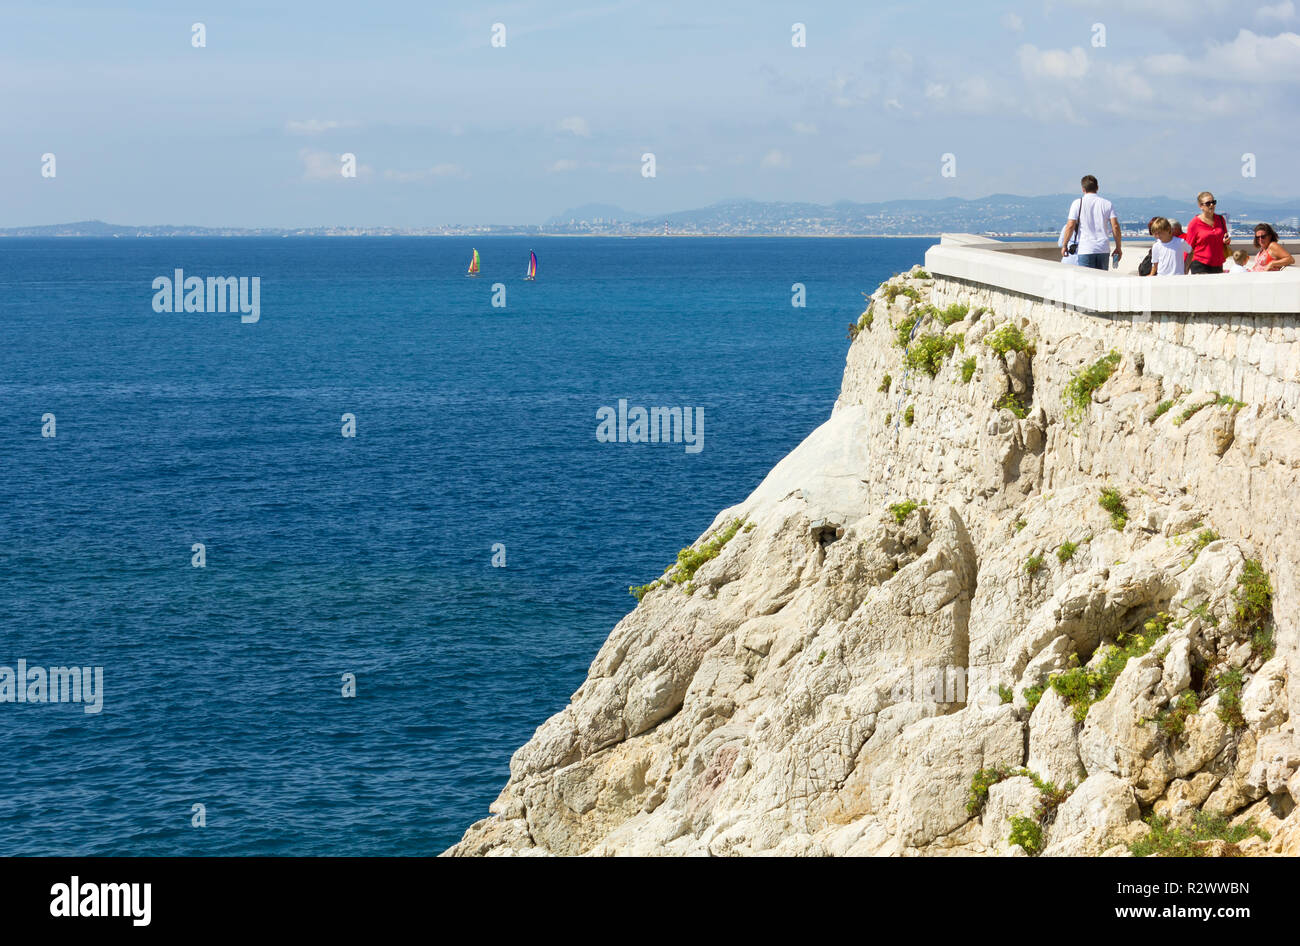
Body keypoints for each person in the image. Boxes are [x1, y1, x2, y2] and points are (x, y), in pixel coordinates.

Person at [1061, 175, 1122, 270]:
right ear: (1097, 187)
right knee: (1102, 280)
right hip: (1103, 248)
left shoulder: (1077, 203)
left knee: (1086, 281)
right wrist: (1118, 247)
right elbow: (1115, 226)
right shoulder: (1107, 204)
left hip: (1086, 248)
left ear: (1083, 189)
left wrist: (1065, 245)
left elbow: (1070, 226)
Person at [1184, 191, 1230, 273]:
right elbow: (1188, 247)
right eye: (1208, 203)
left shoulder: (1220, 219)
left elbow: (1225, 237)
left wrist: (1226, 240)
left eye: (1213, 202)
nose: (1212, 205)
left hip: (1218, 264)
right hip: (1200, 264)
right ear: (1201, 206)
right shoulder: (1194, 223)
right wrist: (1184, 268)